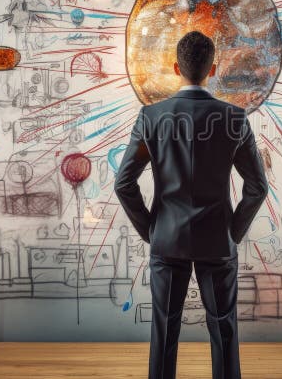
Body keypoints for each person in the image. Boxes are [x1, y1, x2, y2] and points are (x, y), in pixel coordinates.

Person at [115, 31, 269, 379]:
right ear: (212, 69)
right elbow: (257, 187)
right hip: (217, 239)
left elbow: (124, 184)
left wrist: (152, 230)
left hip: (167, 238)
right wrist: (233, 232)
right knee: (224, 330)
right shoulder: (235, 118)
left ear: (176, 67)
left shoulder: (151, 117)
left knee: (164, 330)